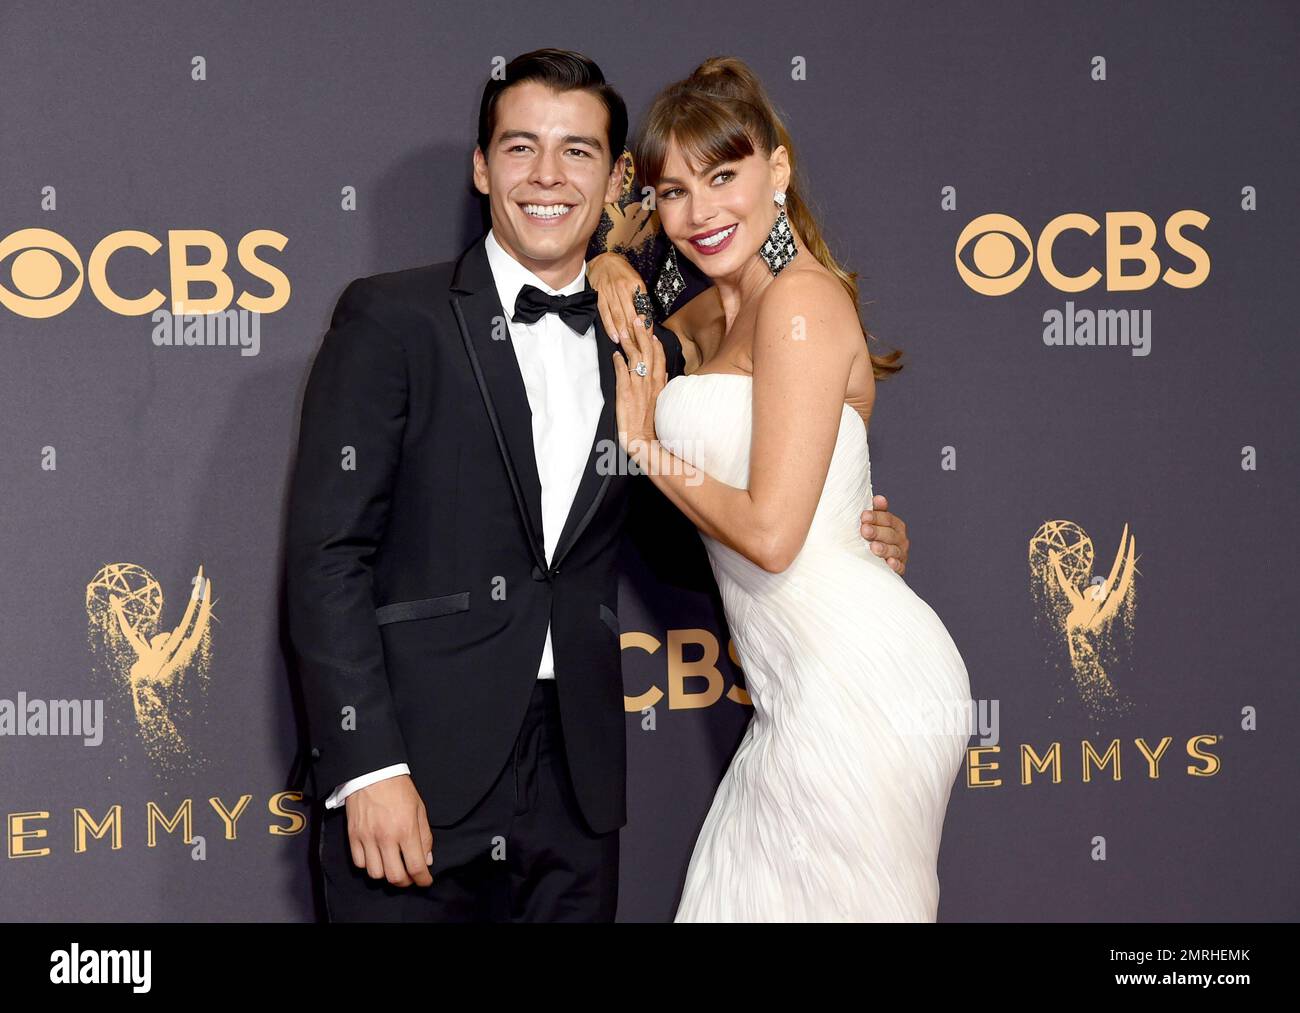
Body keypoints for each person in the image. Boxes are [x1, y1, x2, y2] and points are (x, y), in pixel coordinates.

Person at [285, 48, 913, 923]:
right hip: (417, 774)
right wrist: (368, 766)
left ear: (615, 175)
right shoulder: (393, 316)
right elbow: (328, 558)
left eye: (577, 151)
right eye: (520, 148)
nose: (548, 175)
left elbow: (681, 538)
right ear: (481, 166)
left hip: (578, 789)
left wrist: (838, 539)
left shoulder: (646, 340)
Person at [605, 56, 972, 921]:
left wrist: (643, 446)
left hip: (863, 687)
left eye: (724, 176)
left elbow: (773, 533)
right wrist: (608, 265)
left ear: (779, 169)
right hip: (790, 692)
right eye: (674, 190)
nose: (699, 213)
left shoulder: (804, 304)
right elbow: (616, 260)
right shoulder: (707, 314)